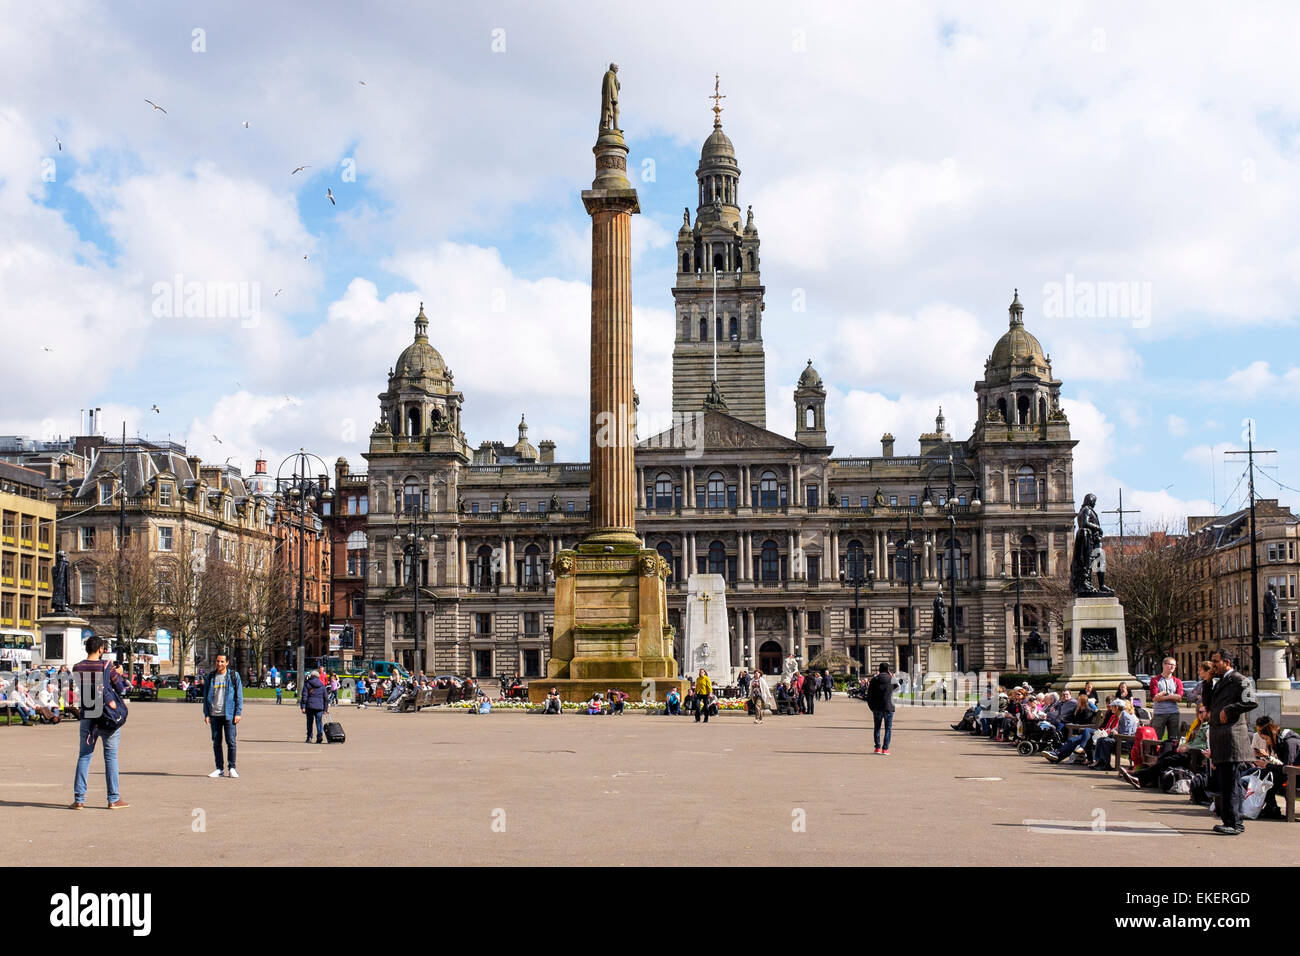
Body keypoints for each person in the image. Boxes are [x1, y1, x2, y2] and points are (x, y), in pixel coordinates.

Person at [71, 635, 131, 810]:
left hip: (88, 714)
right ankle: (113, 798)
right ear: (101, 650)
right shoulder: (106, 666)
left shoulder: (78, 667)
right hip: (106, 715)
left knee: (84, 756)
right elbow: (121, 688)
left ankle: (79, 798)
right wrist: (119, 674)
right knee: (111, 757)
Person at [1206, 648, 1258, 835]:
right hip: (1221, 737)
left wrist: (1229, 710)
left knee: (1231, 783)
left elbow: (1252, 701)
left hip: (1232, 739)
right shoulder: (1220, 681)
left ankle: (1235, 823)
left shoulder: (1239, 680)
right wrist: (1206, 683)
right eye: (1212, 661)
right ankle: (1229, 820)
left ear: (1227, 662)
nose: (1213, 665)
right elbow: (1208, 703)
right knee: (1226, 783)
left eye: (1216, 661)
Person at [203, 653, 244, 778]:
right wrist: (206, 714)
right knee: (216, 742)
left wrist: (238, 713)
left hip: (229, 714)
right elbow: (206, 697)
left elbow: (239, 696)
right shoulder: (210, 676)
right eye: (217, 661)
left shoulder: (233, 676)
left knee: (231, 742)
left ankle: (232, 767)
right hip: (215, 714)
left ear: (227, 663)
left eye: (222, 661)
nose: (219, 664)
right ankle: (219, 768)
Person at [1089, 699, 1138, 770]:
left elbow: (1127, 733)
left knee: (1105, 741)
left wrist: (1115, 734)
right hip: (1121, 738)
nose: (1110, 707)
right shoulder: (1122, 714)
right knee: (1100, 739)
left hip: (1126, 741)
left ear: (1117, 707)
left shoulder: (1125, 715)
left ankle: (1106, 764)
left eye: (1112, 706)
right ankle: (1100, 761)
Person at [1148, 658, 1184, 742]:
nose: (1172, 667)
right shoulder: (1155, 680)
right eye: (1170, 664)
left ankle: (1171, 754)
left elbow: (1179, 698)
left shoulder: (1177, 681)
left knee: (1173, 739)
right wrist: (1172, 697)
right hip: (1159, 713)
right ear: (1163, 665)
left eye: (1174, 665)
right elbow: (1155, 698)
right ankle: (1157, 754)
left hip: (1174, 713)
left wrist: (1165, 695)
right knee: (1156, 739)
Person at [866, 662, 897, 755]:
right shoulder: (891, 679)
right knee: (888, 728)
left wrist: (871, 707)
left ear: (879, 669)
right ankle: (885, 749)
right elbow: (898, 688)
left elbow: (869, 695)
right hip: (888, 707)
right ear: (888, 669)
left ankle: (877, 748)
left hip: (877, 708)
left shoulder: (874, 680)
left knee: (877, 728)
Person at [301, 666, 331, 744]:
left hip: (310, 706)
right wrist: (325, 709)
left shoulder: (307, 684)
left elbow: (304, 696)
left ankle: (309, 737)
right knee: (319, 722)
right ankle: (319, 736)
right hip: (319, 707)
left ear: (311, 676)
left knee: (309, 722)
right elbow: (326, 699)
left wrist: (303, 707)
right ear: (318, 677)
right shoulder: (322, 685)